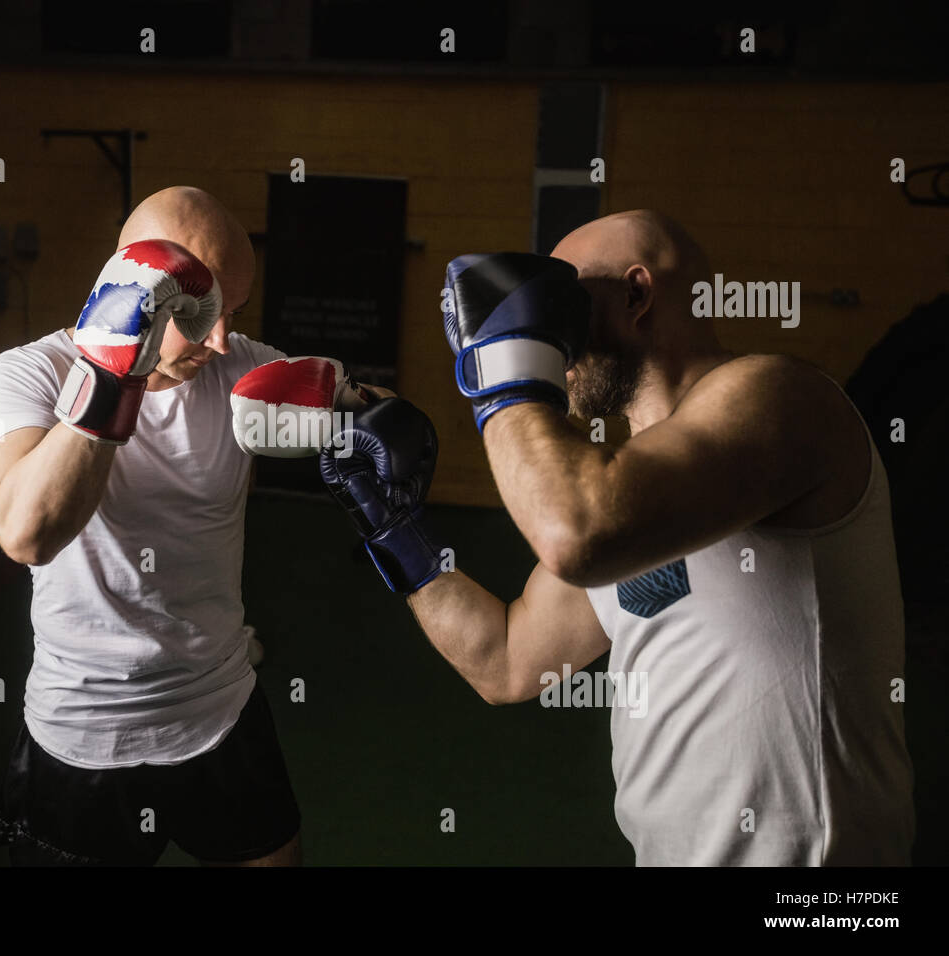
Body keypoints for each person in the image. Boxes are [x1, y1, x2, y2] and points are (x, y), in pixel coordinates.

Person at [320, 210, 915, 865]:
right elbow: (508, 661)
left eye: (559, 306)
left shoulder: (777, 395)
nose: (553, 341)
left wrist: (507, 368)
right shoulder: (630, 481)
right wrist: (396, 531)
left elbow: (575, 532)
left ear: (636, 295)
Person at [0, 186, 302, 865]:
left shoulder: (241, 369)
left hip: (221, 710)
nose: (220, 338)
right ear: (134, 282)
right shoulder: (33, 374)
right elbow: (25, 533)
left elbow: (369, 410)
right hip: (83, 733)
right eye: (200, 309)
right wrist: (110, 368)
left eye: (235, 311)